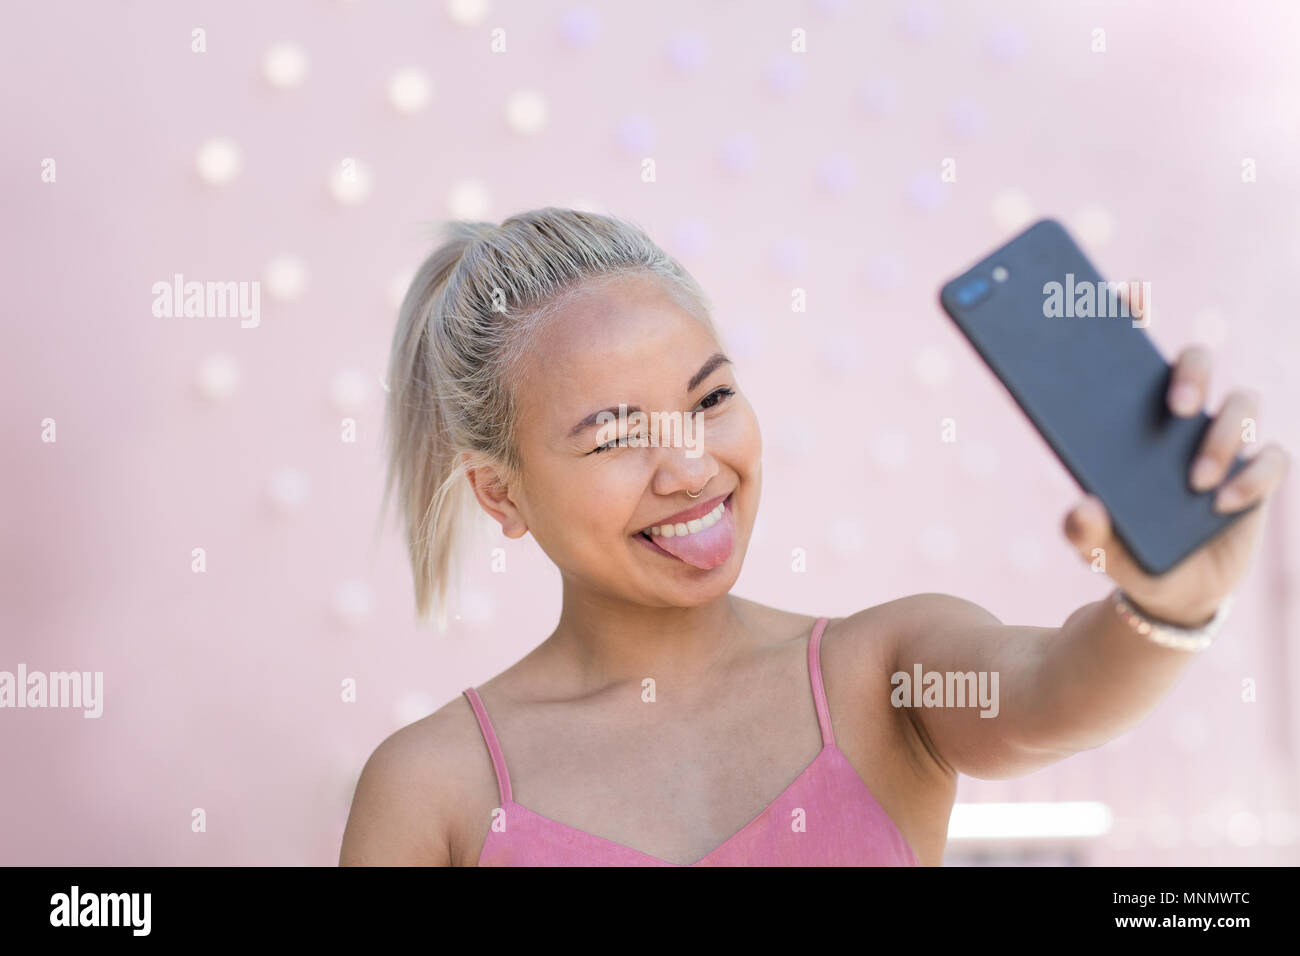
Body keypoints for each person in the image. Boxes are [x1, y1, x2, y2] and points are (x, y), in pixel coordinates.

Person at [339, 207, 1288, 866]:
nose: (691, 468)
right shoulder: (432, 790)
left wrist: (1174, 600)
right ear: (500, 496)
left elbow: (1059, 692)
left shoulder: (886, 673)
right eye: (619, 436)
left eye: (710, 399)